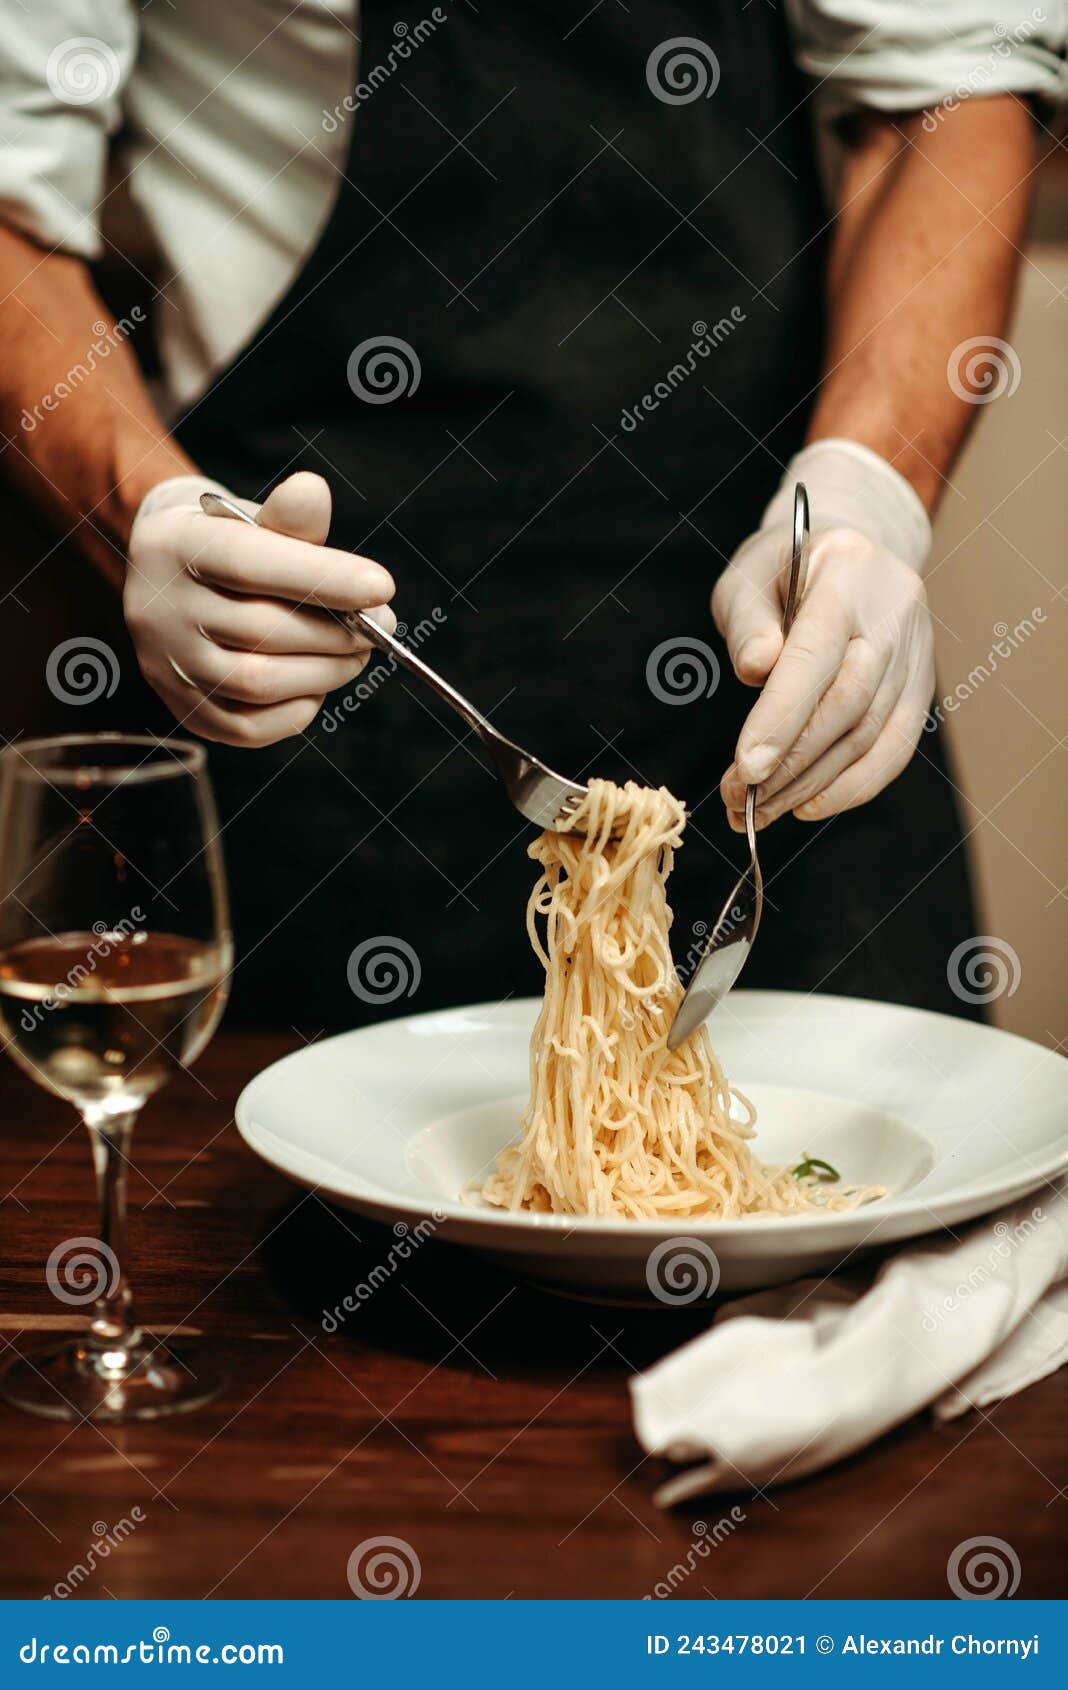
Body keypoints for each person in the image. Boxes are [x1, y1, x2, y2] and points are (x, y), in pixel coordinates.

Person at [1, 5, 1064, 1027]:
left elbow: (952, 88)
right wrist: (148, 508)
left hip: (779, 663)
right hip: (330, 696)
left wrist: (866, 495)